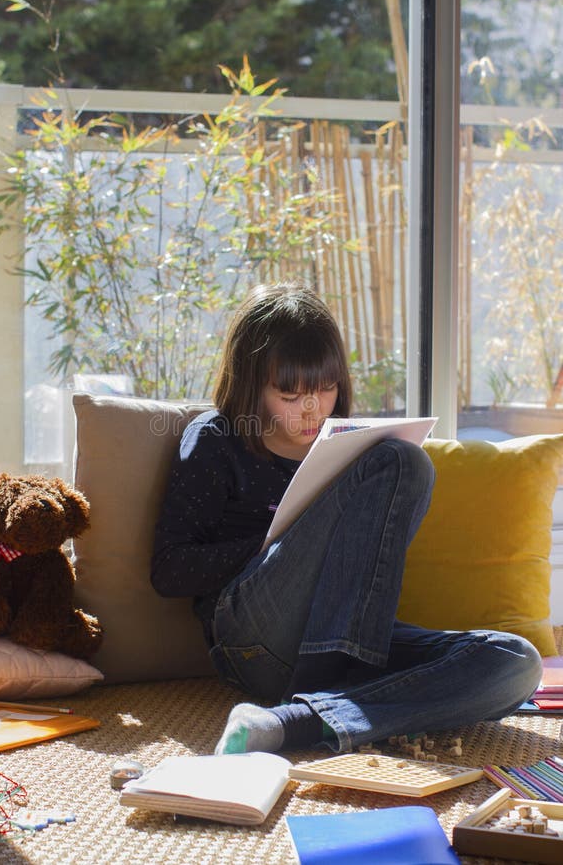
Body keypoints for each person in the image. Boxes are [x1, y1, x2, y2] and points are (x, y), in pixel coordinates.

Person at [151, 283, 541, 756]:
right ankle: (342, 701)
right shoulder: (216, 438)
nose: (312, 409)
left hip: (352, 639)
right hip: (255, 643)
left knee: (515, 662)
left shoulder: (348, 445)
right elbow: (169, 570)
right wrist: (274, 544)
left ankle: (299, 721)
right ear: (253, 385)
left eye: (324, 389)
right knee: (402, 462)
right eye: (290, 394)